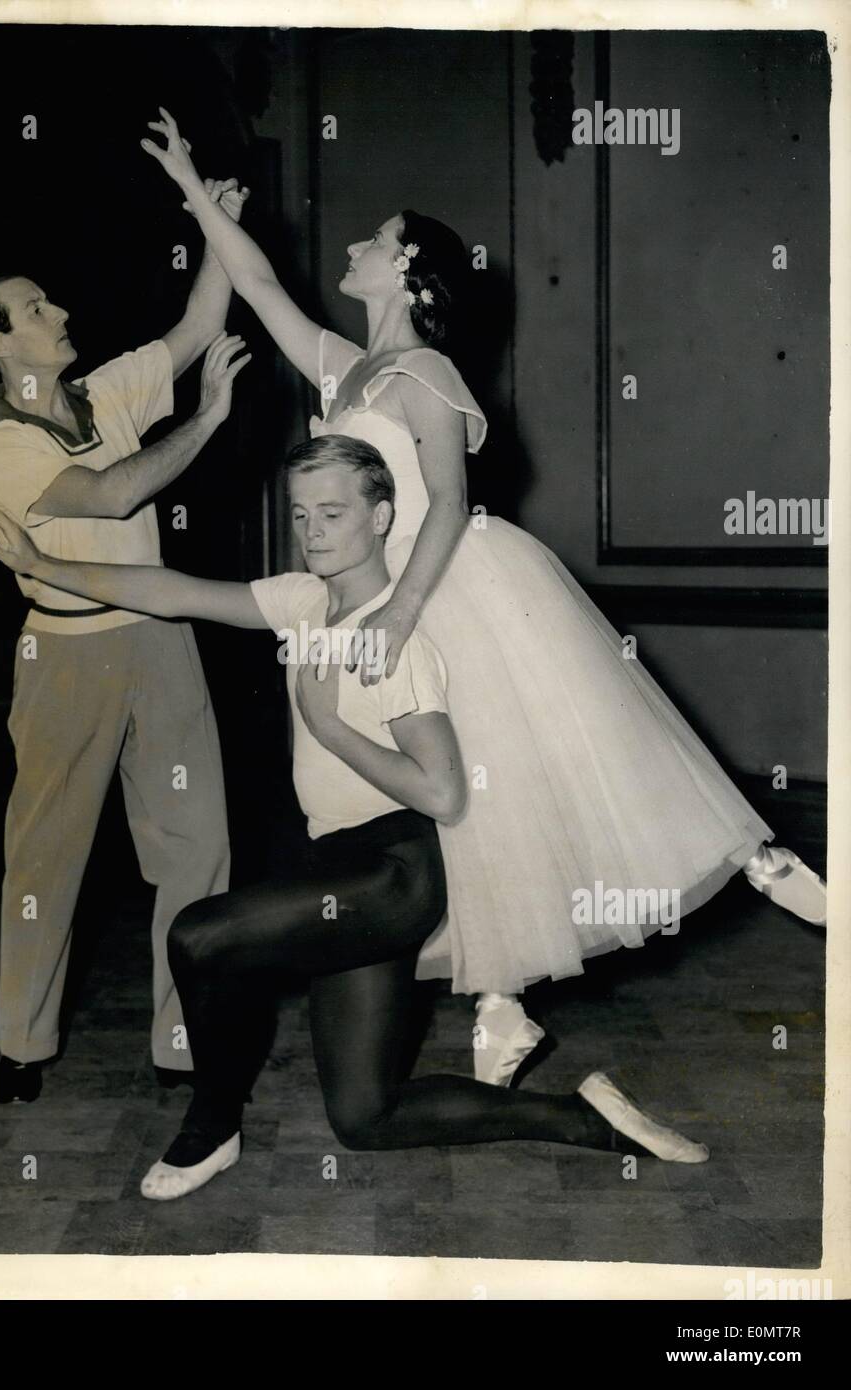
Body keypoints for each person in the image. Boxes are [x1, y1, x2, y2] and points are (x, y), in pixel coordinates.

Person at [139, 109, 827, 1089]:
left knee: (542, 770)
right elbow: (253, 283)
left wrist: (396, 616)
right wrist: (192, 190)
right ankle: (499, 997)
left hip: (447, 581)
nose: (349, 245)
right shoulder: (349, 370)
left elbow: (449, 504)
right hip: (396, 589)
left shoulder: (424, 370)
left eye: (371, 239)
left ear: (408, 267)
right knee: (463, 807)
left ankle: (753, 858)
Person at [0, 434, 710, 1199]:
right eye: (300, 513)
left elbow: (445, 794)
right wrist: (44, 567)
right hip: (341, 873)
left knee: (199, 937)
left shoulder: (395, 640)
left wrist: (331, 729)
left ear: (382, 517)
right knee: (366, 1117)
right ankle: (585, 1118)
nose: (313, 529)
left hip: (396, 871)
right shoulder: (303, 603)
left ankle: (212, 1123)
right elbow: (174, 590)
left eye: (332, 512)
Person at [0, 233, 250, 1102]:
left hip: (161, 638)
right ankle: (22, 1041)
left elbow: (198, 324)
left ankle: (182, 1044)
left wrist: (213, 220)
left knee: (199, 846)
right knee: (46, 857)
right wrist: (207, 418)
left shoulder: (104, 389)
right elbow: (112, 494)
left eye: (52, 300)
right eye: (35, 310)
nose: (60, 313)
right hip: (65, 653)